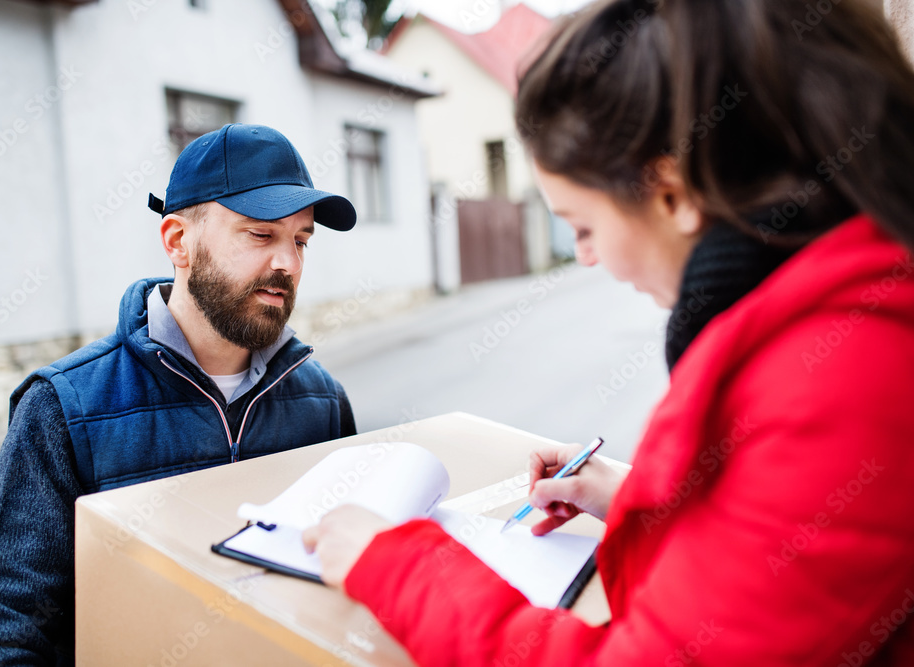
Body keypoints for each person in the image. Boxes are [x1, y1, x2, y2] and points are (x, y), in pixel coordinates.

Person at [302, 0, 914, 664]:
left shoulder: (846, 373)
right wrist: (637, 500)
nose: (585, 256)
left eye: (584, 226)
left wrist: (396, 565)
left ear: (672, 193)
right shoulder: (832, 312)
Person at [0, 123, 359, 664]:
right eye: (261, 235)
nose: (287, 263)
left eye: (301, 240)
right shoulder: (64, 408)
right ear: (177, 242)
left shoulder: (323, 403)